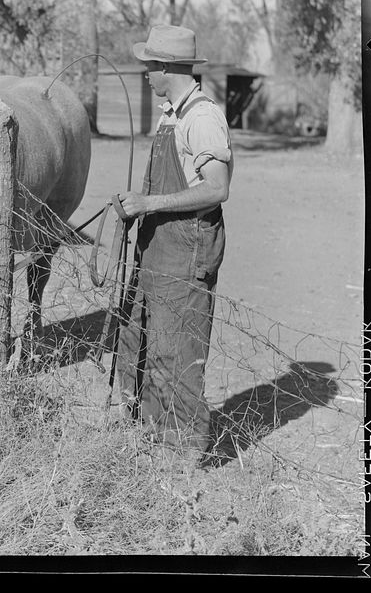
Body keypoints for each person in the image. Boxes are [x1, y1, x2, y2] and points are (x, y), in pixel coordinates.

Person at [116, 24, 233, 464]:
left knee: (179, 349)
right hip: (158, 247)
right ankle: (151, 436)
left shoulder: (201, 117)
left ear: (166, 67)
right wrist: (137, 207)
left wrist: (151, 201)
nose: (146, 74)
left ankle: (183, 454)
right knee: (146, 342)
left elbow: (216, 188)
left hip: (186, 251)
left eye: (150, 66)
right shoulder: (172, 115)